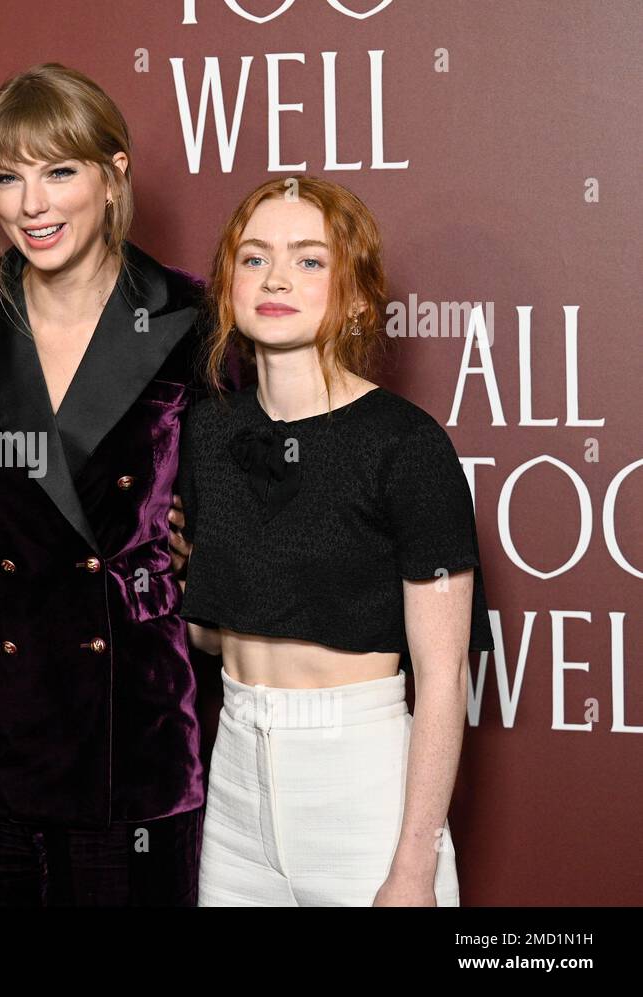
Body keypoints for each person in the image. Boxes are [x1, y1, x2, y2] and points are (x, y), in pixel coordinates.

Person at [0, 63, 232, 906]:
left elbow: (226, 494)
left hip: (133, 725)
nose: (32, 205)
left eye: (59, 171)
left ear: (114, 174)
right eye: (7, 178)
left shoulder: (192, 315)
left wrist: (192, 549)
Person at [179, 175, 495, 906]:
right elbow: (213, 633)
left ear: (355, 295)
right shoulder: (208, 431)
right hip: (234, 786)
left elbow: (443, 677)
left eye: (310, 259)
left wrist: (413, 866)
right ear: (228, 286)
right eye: (253, 259)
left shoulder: (407, 446)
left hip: (363, 788)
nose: (277, 277)